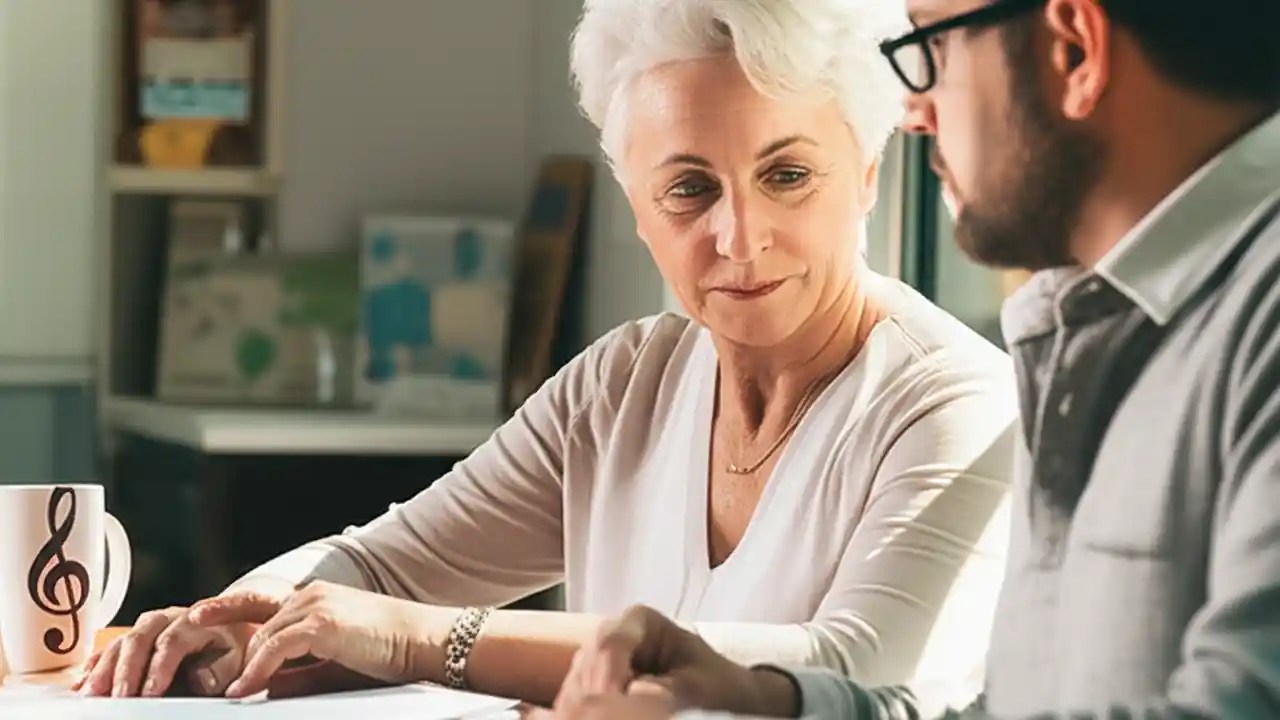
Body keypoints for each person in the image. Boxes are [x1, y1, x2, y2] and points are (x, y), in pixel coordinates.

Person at [76, 0, 1018, 709]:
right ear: (639, 211)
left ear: (864, 174)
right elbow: (381, 566)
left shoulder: (956, 404)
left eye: (787, 175)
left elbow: (852, 668)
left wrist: (419, 642)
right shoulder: (622, 385)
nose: (742, 236)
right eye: (689, 189)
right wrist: (239, 619)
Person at [543, 0, 1280, 717]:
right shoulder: (1095, 329)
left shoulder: (1251, 330)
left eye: (934, 46)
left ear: (1074, 51)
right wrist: (760, 698)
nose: (913, 112)